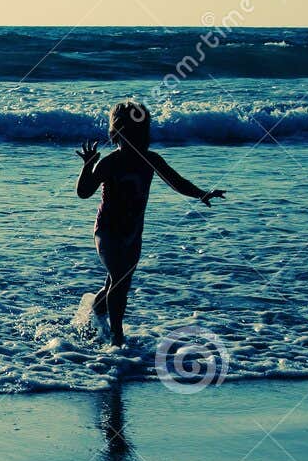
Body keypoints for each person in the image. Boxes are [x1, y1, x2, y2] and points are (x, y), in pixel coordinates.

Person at [76, 102, 225, 346]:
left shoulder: (150, 160)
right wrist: (88, 165)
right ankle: (117, 339)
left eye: (141, 131)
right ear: (117, 132)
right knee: (119, 281)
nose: (137, 137)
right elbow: (84, 192)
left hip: (133, 233)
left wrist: (201, 193)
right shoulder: (111, 162)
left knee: (115, 283)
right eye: (131, 131)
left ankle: (93, 315)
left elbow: (177, 181)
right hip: (107, 232)